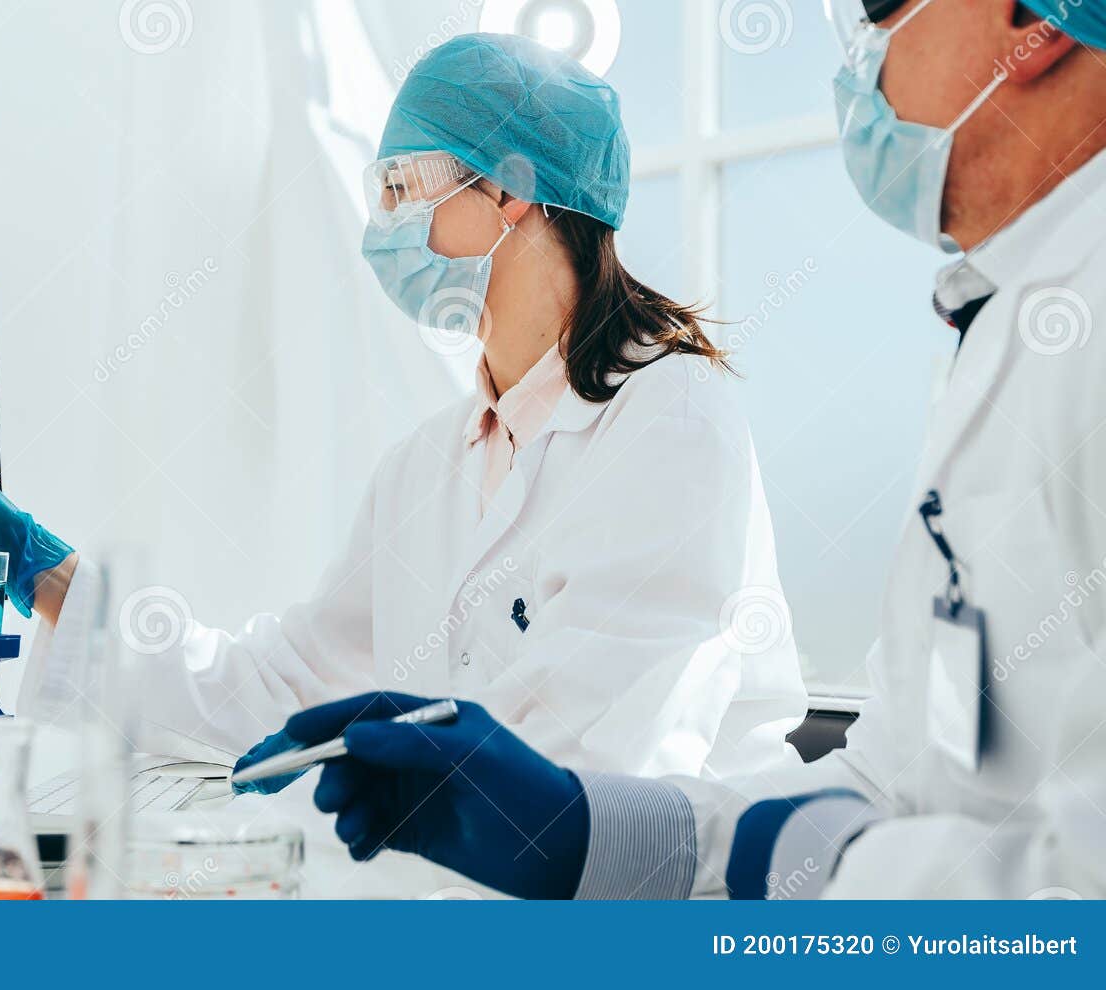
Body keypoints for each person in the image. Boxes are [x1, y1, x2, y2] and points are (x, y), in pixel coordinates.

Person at [287, 0, 1106, 899]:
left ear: (1039, 21)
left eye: (883, 6)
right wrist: (593, 832)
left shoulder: (1075, 325)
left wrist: (801, 870)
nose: (861, 57)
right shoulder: (1011, 326)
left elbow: (1058, 877)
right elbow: (899, 778)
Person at [0, 34, 806, 797]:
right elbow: (273, 685)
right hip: (462, 884)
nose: (385, 225)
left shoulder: (669, 418)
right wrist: (36, 566)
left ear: (514, 188)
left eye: (405, 187)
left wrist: (358, 766)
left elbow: (598, 752)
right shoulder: (429, 462)